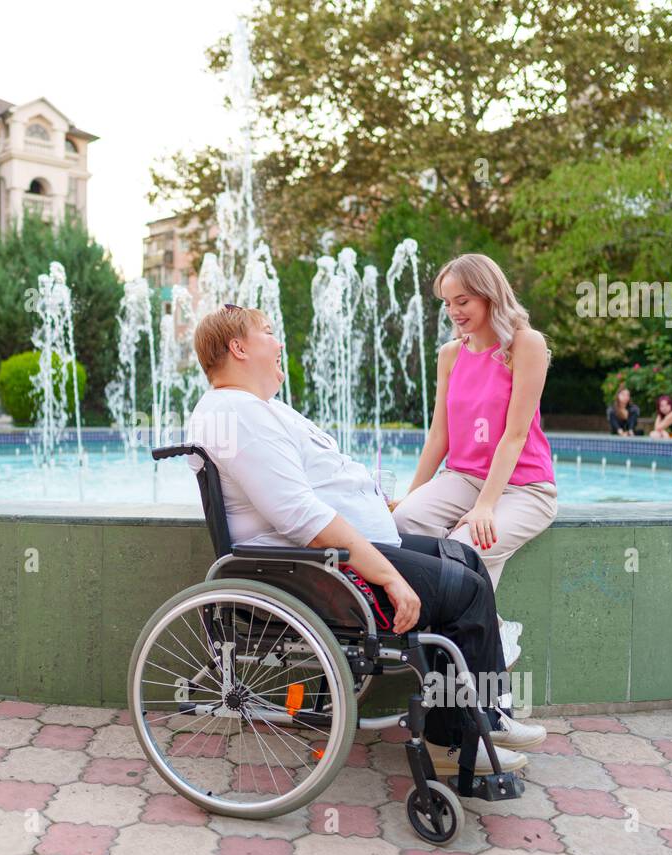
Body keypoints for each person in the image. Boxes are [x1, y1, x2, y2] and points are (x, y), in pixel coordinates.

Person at [184, 303, 545, 775]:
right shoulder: (236, 413)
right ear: (238, 347)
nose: (279, 344)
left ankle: (486, 716)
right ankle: (455, 740)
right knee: (465, 589)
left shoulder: (250, 409)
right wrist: (388, 574)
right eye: (269, 333)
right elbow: (298, 516)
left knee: (466, 561)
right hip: (322, 571)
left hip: (332, 560)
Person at [389, 254, 557, 672]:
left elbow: (515, 434)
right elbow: (439, 436)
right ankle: (494, 631)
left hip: (524, 487)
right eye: (447, 303)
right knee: (405, 521)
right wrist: (411, 494)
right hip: (462, 477)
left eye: (462, 301)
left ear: (488, 294)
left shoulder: (526, 344)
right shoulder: (450, 354)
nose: (454, 312)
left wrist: (485, 505)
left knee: (465, 549)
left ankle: (478, 653)